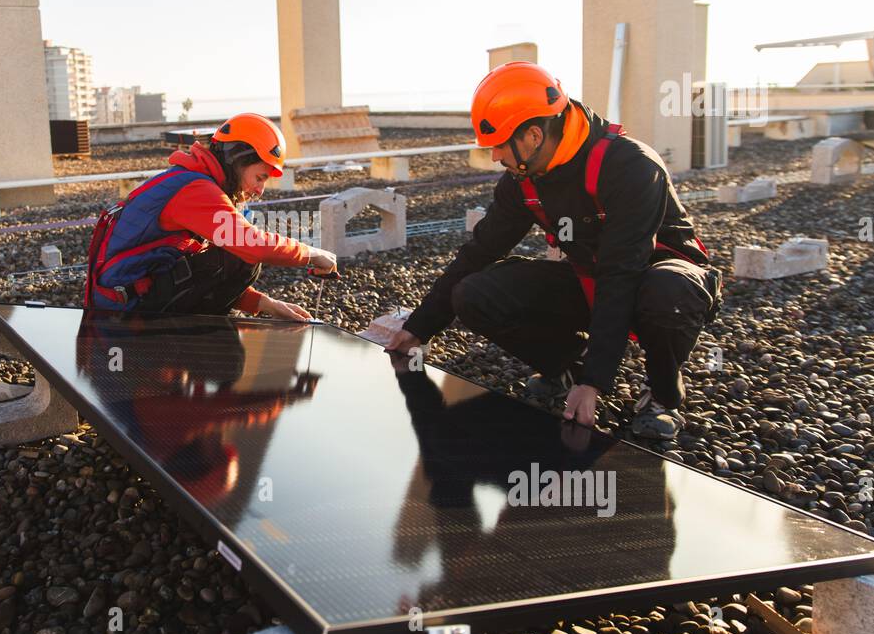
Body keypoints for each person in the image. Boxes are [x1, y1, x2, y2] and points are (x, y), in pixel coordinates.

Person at [386, 62, 722, 439]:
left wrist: (597, 382)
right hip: (591, 278)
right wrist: (419, 327)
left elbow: (622, 270)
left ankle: (662, 394)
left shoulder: (631, 166)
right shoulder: (523, 180)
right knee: (475, 294)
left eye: (499, 145)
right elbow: (478, 253)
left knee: (668, 295)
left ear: (532, 135)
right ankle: (568, 365)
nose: (496, 157)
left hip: (658, 278)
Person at [85, 112, 337, 319]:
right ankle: (180, 346)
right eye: (260, 177)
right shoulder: (197, 190)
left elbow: (198, 275)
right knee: (240, 256)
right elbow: (253, 247)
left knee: (234, 253)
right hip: (122, 318)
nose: (260, 190)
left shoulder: (189, 179)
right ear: (237, 160)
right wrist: (313, 254)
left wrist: (265, 304)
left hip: (123, 302)